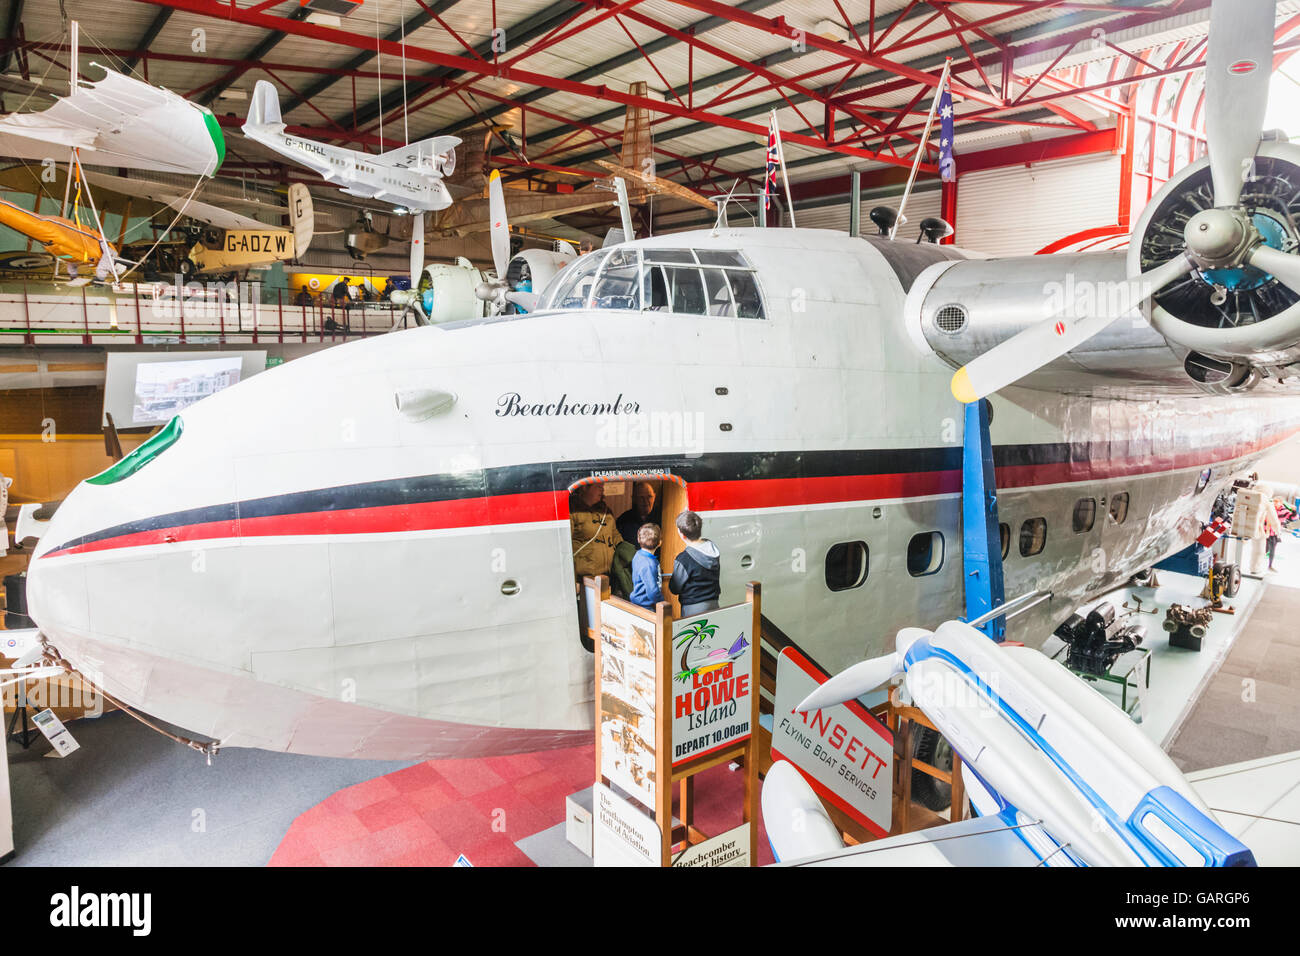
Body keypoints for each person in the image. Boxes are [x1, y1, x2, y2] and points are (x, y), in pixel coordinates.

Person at [669, 510, 721, 617]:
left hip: (692, 609)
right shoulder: (712, 548)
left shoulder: (683, 559)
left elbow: (675, 588)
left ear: (682, 535)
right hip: (714, 604)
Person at [570, 483, 622, 582]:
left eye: (602, 486)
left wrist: (624, 549)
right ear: (585, 488)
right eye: (598, 487)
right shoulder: (572, 511)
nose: (602, 490)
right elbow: (565, 546)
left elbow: (614, 534)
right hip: (584, 578)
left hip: (608, 575)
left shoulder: (606, 511)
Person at [629, 524, 664, 610]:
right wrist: (662, 602)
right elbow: (652, 591)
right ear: (660, 543)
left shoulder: (638, 555)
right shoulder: (649, 564)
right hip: (646, 606)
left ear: (638, 539)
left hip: (639, 602)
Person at [616, 481, 661, 547]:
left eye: (649, 497)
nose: (646, 501)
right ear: (634, 499)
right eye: (641, 497)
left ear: (654, 497)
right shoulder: (623, 521)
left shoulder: (662, 518)